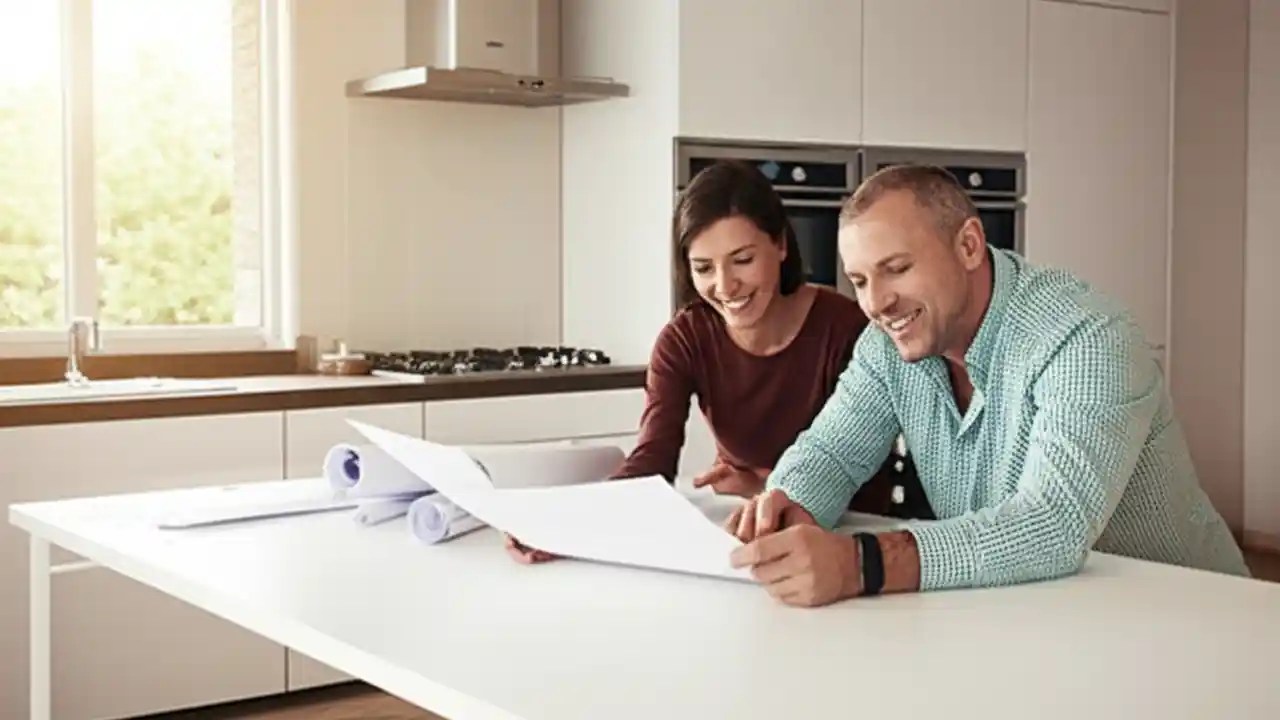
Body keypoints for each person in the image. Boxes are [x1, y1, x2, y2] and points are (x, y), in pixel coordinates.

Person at [726, 163, 1251, 607]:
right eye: (860, 280)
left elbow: (1051, 523)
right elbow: (831, 453)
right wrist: (787, 504)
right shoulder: (888, 344)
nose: (876, 303)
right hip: (1034, 616)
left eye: (897, 268)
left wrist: (861, 564)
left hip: (1193, 616)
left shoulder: (1088, 335)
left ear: (969, 245)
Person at [508, 159, 917, 563]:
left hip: (852, 536)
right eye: (703, 267)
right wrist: (569, 523)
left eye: (743, 260)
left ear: (780, 245)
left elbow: (862, 470)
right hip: (747, 531)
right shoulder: (684, 341)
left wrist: (765, 486)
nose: (725, 286)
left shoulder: (849, 329)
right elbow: (652, 460)